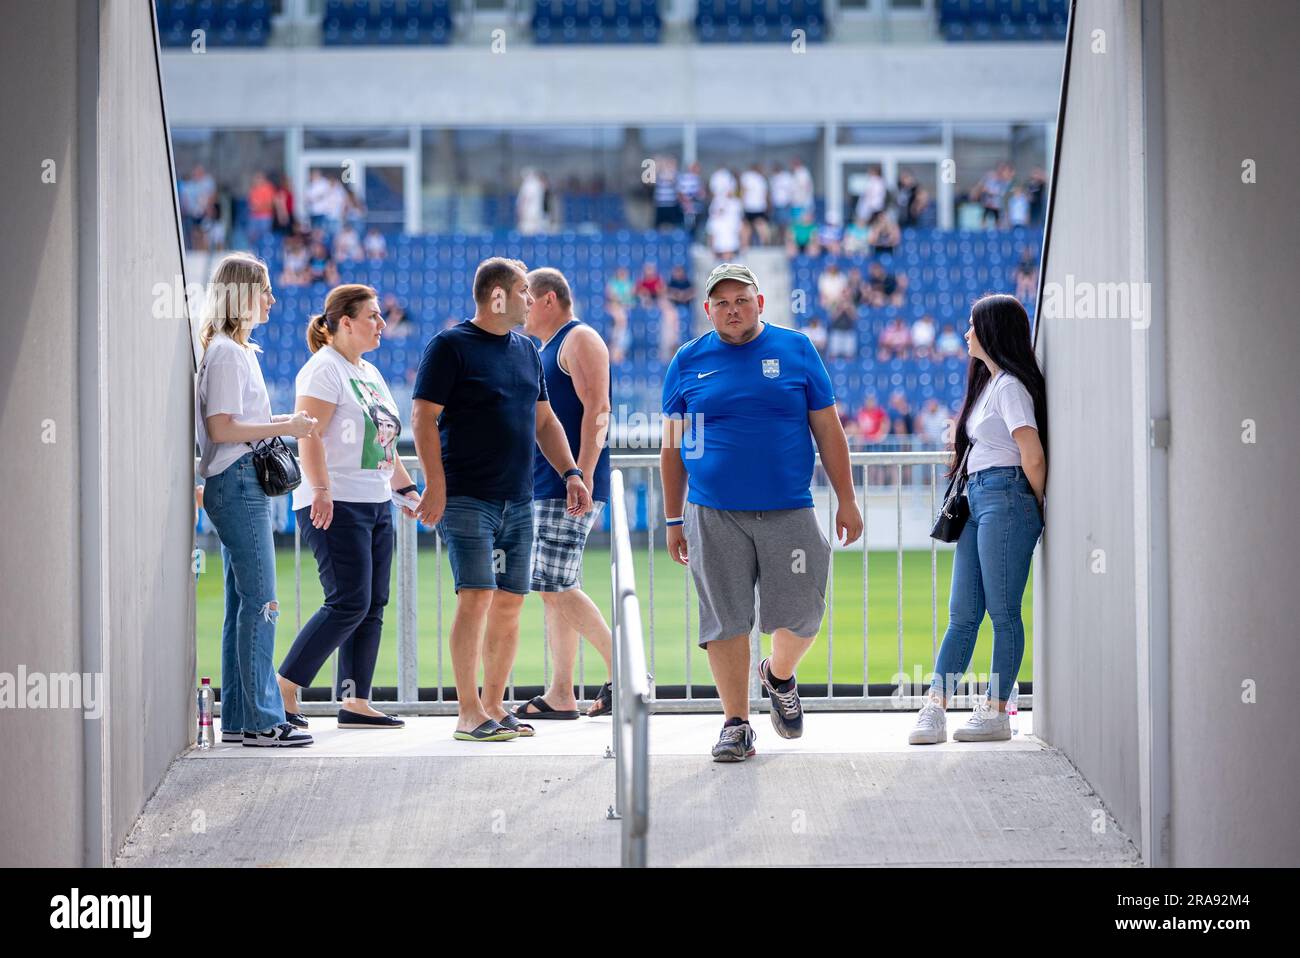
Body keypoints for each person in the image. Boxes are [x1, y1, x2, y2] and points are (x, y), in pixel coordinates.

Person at [660, 263, 863, 762]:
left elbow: (829, 430)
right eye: (722, 303)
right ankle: (735, 724)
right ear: (707, 310)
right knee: (724, 622)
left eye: (741, 300)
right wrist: (671, 519)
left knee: (803, 612)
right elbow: (672, 446)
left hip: (789, 509)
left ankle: (779, 674)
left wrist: (848, 498)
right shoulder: (688, 361)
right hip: (713, 512)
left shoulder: (796, 349)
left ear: (760, 303)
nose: (732, 310)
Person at [411, 258, 593, 742]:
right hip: (469, 497)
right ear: (497, 295)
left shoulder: (528, 351)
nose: (530, 301)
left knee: (511, 602)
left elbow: (546, 421)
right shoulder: (450, 346)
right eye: (522, 292)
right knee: (475, 598)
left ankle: (494, 704)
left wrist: (571, 471)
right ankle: (468, 712)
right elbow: (422, 418)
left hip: (521, 498)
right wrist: (436, 483)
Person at [276, 284, 421, 730]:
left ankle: (355, 700)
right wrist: (320, 489)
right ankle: (282, 689)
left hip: (374, 502)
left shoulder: (370, 373)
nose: (382, 323)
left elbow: (384, 444)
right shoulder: (323, 370)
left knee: (372, 602)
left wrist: (406, 488)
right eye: (373, 316)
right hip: (335, 501)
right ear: (345, 322)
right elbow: (308, 433)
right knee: (348, 601)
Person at [910, 293, 1047, 745]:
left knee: (1002, 612)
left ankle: (994, 712)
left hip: (1007, 497)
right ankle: (935, 706)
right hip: (978, 497)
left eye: (972, 324)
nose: (966, 332)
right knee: (963, 614)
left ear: (991, 331)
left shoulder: (1009, 386)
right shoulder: (989, 383)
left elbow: (1031, 452)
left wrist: (1038, 506)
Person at [194, 252, 317, 747]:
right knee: (263, 602)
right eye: (264, 290)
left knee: (244, 605)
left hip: (239, 481)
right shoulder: (226, 352)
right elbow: (221, 428)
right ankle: (265, 720)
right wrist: (286, 425)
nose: (272, 298)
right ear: (242, 294)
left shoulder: (235, 351)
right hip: (238, 481)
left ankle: (245, 718)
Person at [513, 268, 616, 722]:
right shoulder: (548, 348)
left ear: (548, 299)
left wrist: (585, 474)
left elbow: (599, 408)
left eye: (526, 299)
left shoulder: (580, 339)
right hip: (550, 481)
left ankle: (629, 672)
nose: (521, 310)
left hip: (568, 483)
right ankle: (560, 692)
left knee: (553, 584)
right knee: (554, 586)